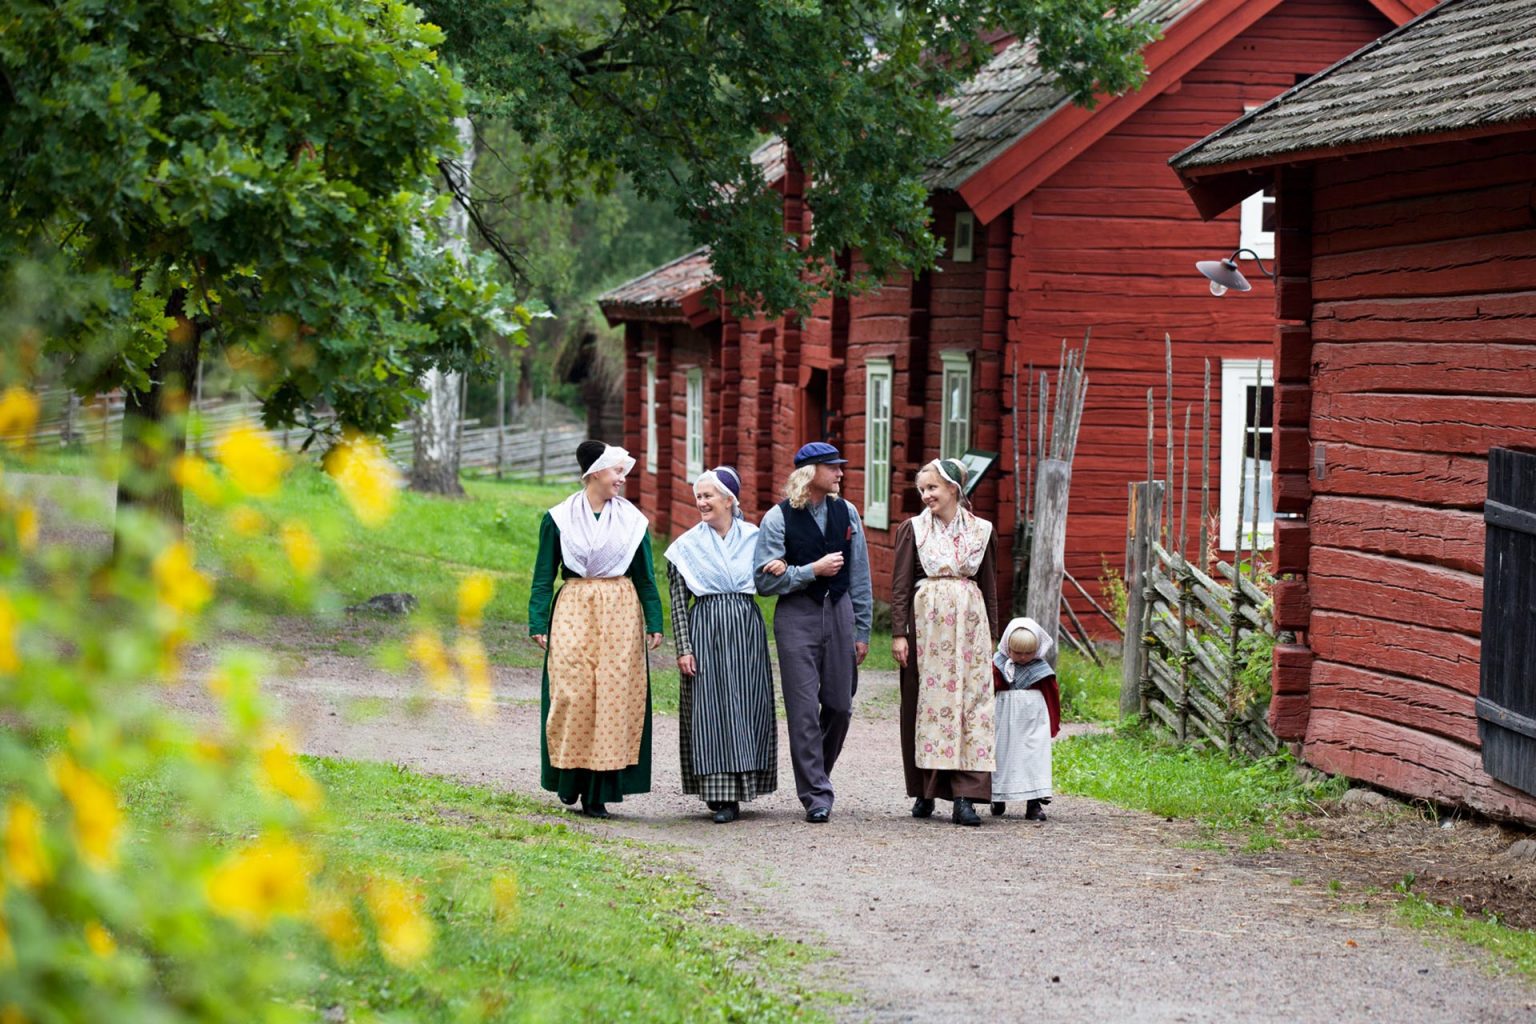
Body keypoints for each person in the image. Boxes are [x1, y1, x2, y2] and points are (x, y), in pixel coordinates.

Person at [529, 441, 663, 819]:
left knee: (613, 697)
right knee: (573, 692)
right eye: (616, 471)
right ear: (595, 473)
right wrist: (538, 620)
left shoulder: (632, 522)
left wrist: (654, 620)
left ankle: (598, 794)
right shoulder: (559, 519)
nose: (622, 478)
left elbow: (645, 577)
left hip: (620, 610)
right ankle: (568, 779)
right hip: (575, 606)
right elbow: (543, 575)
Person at [753, 442, 872, 823]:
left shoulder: (847, 512)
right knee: (803, 710)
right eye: (833, 467)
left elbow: (860, 574)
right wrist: (810, 571)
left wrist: (862, 630)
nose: (840, 473)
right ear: (811, 472)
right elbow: (763, 582)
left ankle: (816, 774)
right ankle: (816, 794)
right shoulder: (777, 518)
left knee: (839, 706)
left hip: (839, 613)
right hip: (796, 617)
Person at [664, 466, 779, 824]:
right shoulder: (686, 547)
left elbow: (772, 579)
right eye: (698, 496)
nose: (701, 502)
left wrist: (780, 566)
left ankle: (742, 786)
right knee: (710, 710)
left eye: (708, 495)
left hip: (745, 629)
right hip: (705, 630)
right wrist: (684, 648)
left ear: (729, 500)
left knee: (746, 703)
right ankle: (719, 792)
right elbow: (678, 603)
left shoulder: (755, 538)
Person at [891, 458, 999, 826]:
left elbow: (989, 585)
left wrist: (992, 635)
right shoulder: (913, 530)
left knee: (972, 706)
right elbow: (900, 585)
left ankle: (965, 797)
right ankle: (925, 790)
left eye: (932, 487)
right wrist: (899, 633)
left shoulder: (982, 531)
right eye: (922, 489)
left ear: (953, 488)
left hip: (970, 627)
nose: (926, 495)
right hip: (927, 627)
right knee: (926, 704)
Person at [990, 617, 1062, 821]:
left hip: (1033, 721)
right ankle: (998, 796)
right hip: (1003, 718)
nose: (1023, 658)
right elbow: (987, 690)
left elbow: (1051, 698)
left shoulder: (1041, 671)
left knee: (1034, 758)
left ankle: (1034, 804)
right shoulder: (999, 666)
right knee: (1001, 756)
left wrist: (1052, 724)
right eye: (1017, 652)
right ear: (1007, 647)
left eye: (1028, 653)